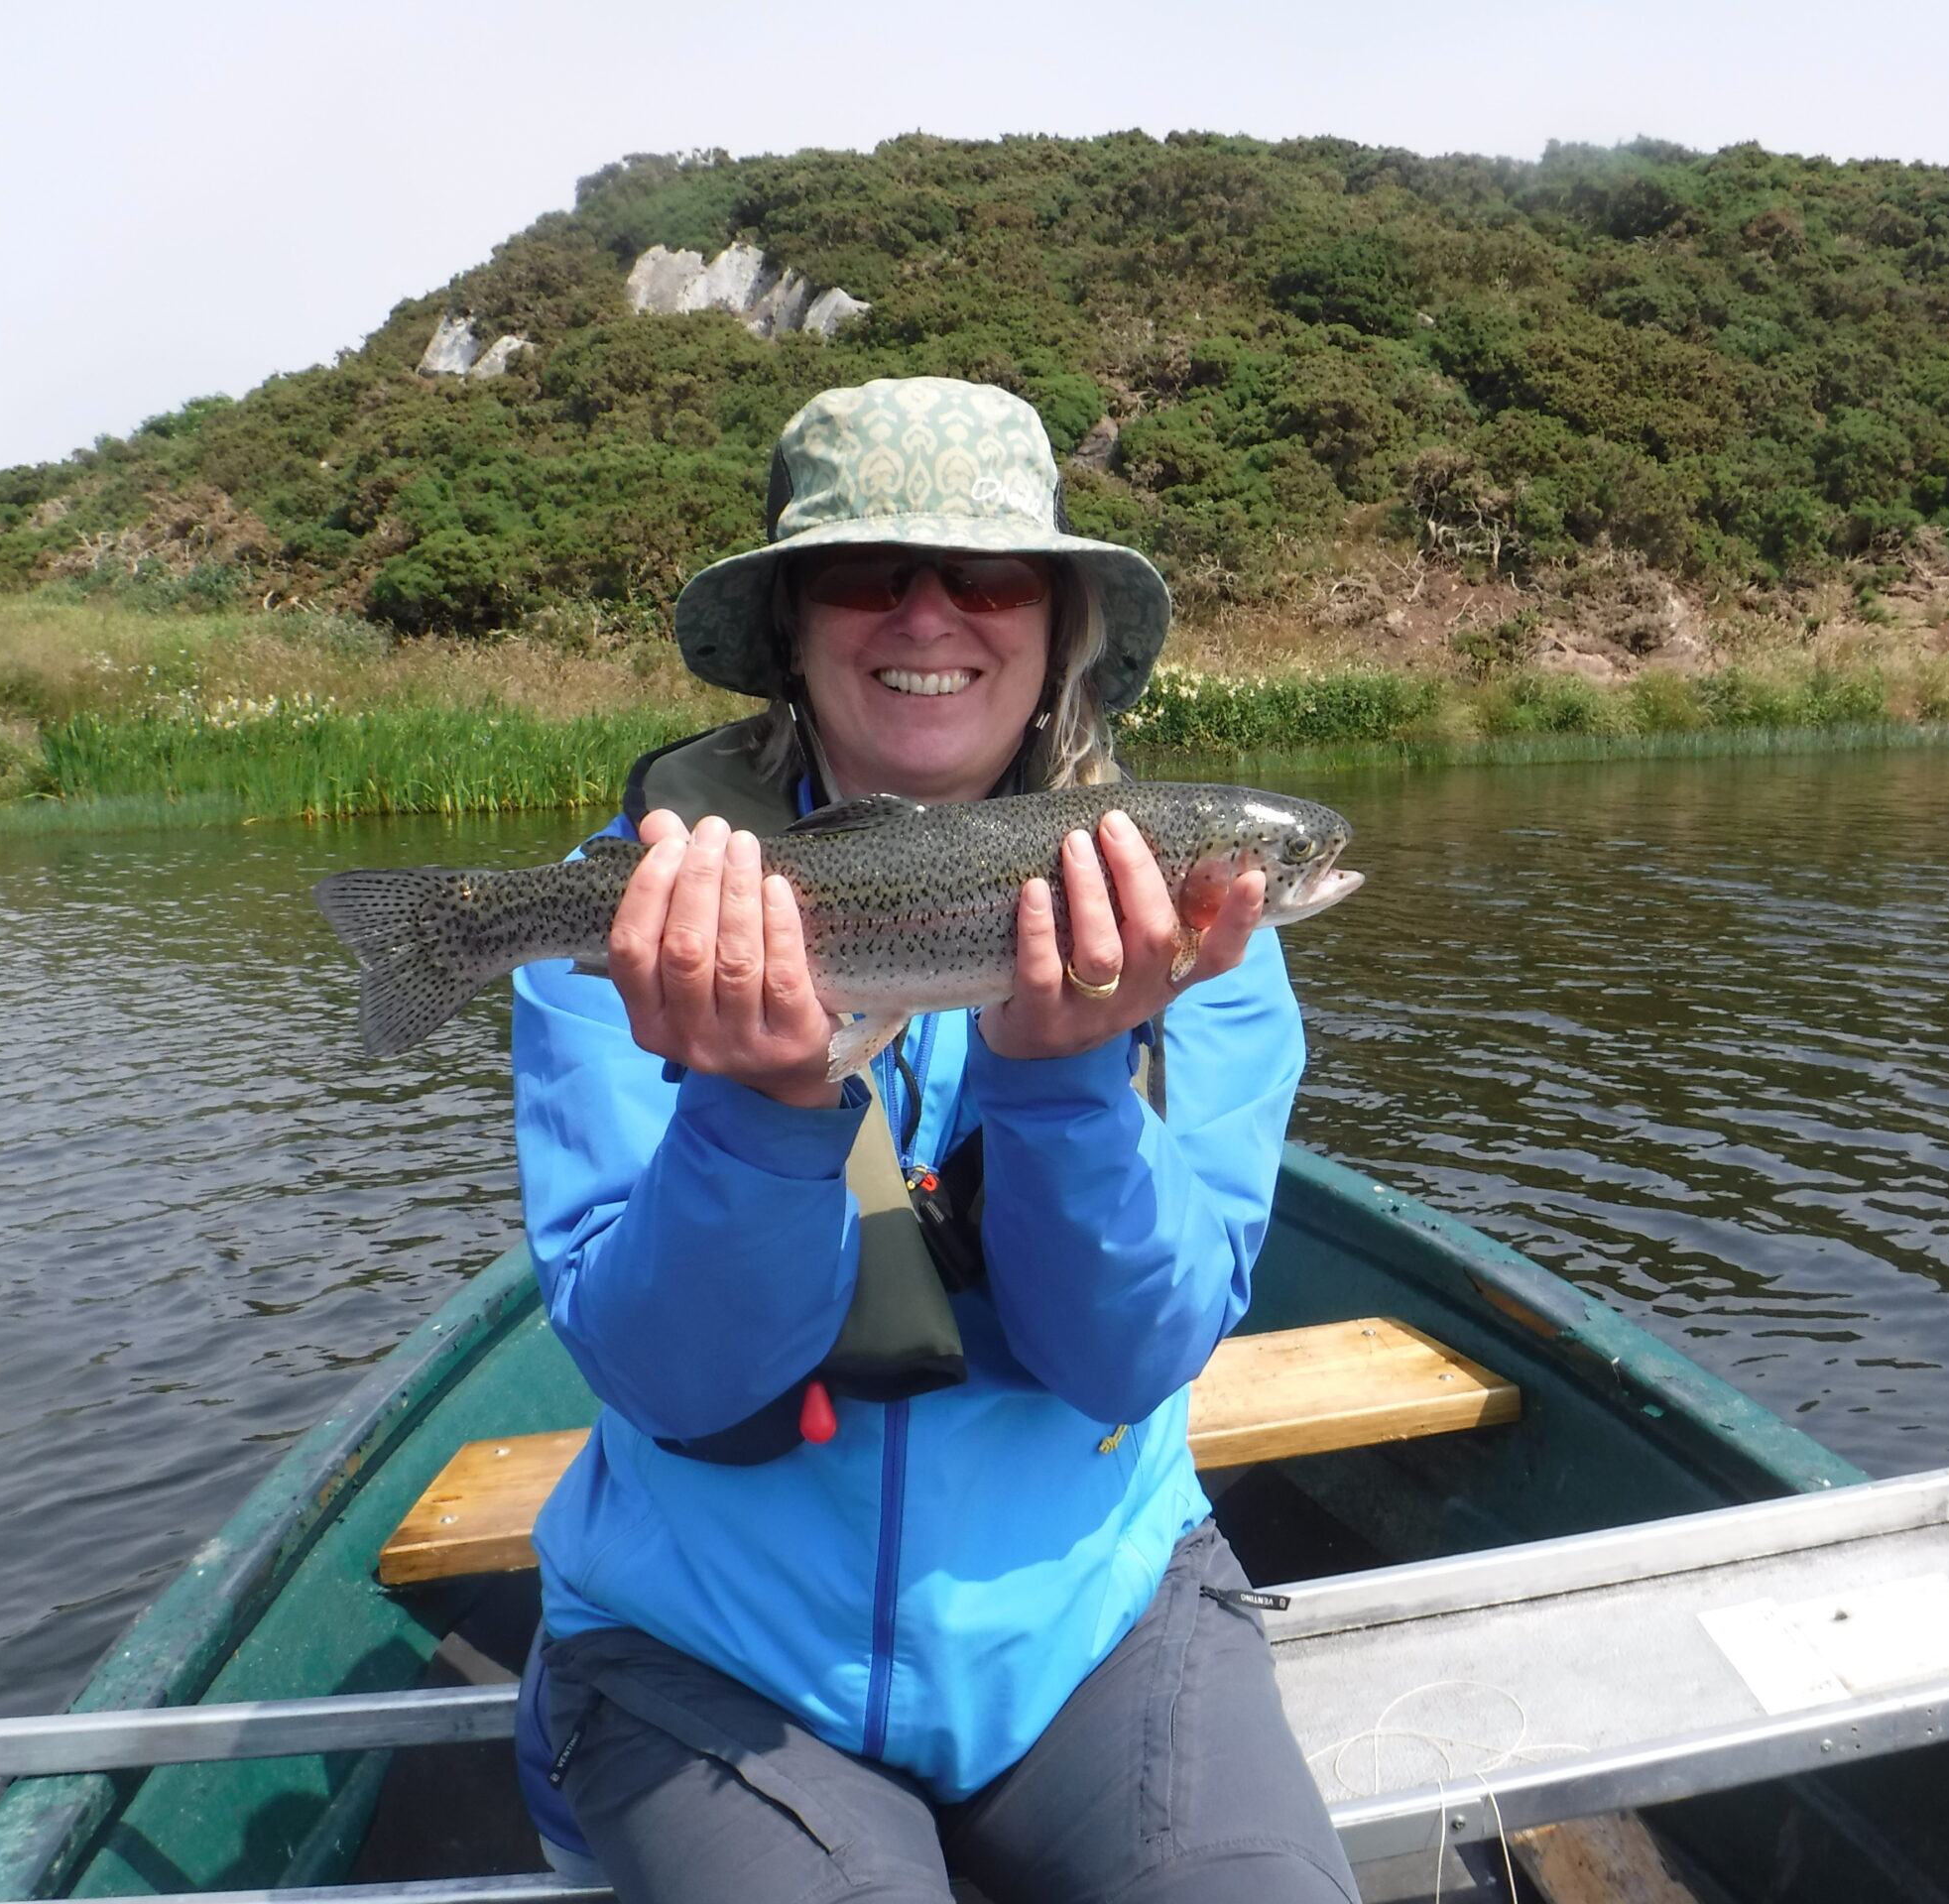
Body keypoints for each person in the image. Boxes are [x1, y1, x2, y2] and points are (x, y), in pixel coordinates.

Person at [509, 376, 1361, 1903]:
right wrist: (760, 1110)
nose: (927, 616)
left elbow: (1132, 1358)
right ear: (788, 628)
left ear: (1056, 626)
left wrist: (1068, 1085)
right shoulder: (645, 912)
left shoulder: (1194, 947)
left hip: (1100, 1628)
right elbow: (674, 1382)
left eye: (985, 576)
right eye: (865, 574)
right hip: (707, 1656)